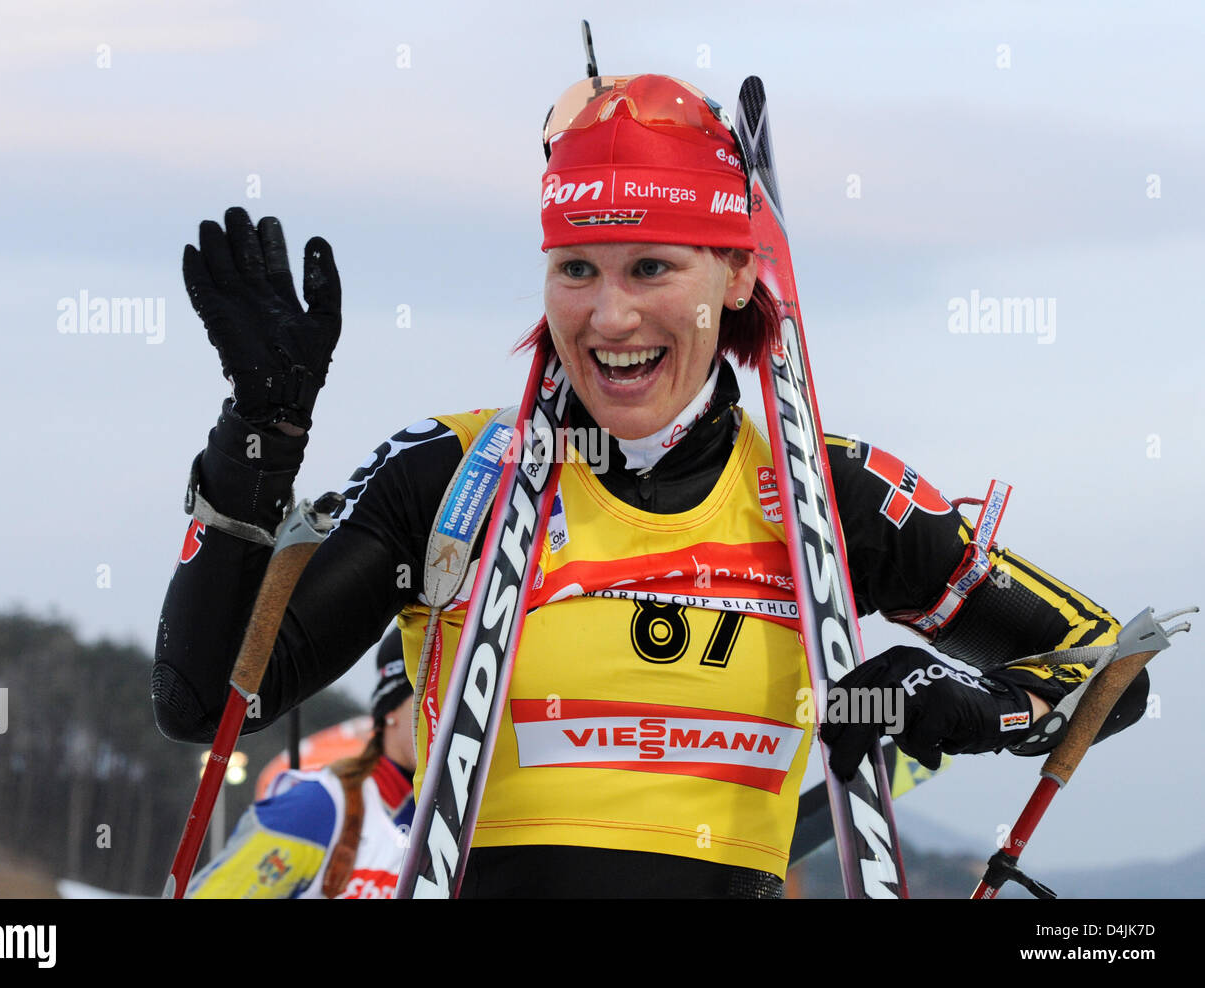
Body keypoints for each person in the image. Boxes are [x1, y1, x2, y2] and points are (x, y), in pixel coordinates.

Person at [153, 74, 1148, 898]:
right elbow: (211, 700)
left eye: (651, 268)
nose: (610, 317)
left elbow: (1112, 664)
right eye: (576, 269)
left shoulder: (825, 492)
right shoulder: (453, 476)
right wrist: (259, 433)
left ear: (737, 277)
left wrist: (979, 703)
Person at [186, 631, 414, 899]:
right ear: (390, 710)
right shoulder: (319, 806)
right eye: (432, 698)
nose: (441, 720)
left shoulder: (459, 824)